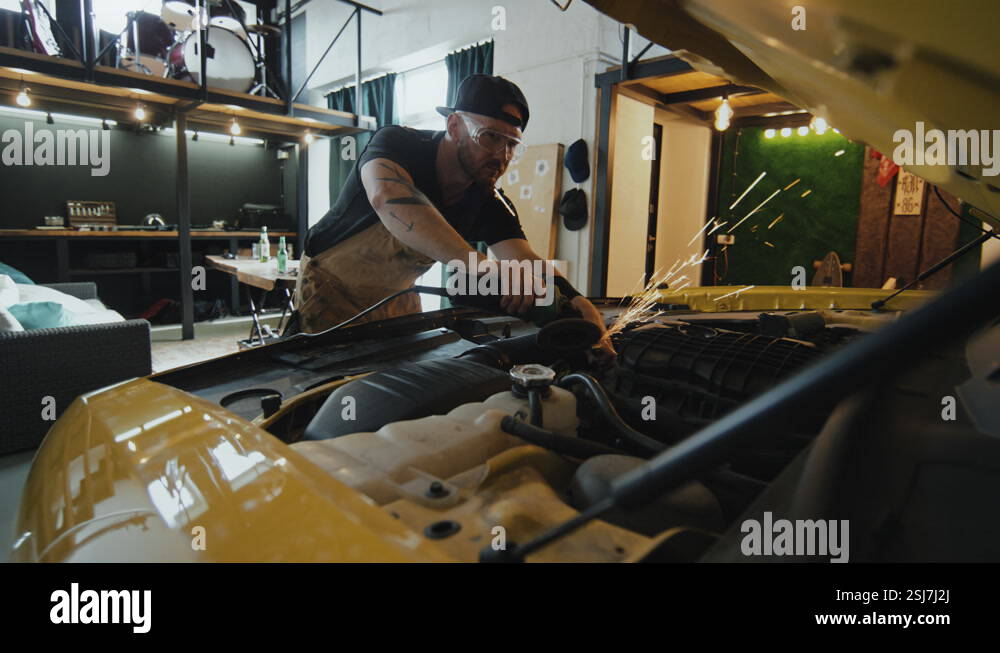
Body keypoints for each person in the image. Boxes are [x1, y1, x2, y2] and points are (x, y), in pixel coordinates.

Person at [293, 73, 608, 344]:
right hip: (330, 289)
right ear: (454, 125)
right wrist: (487, 269)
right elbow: (386, 196)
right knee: (332, 390)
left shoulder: (487, 201)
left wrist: (579, 301)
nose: (502, 154)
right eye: (490, 137)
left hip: (396, 297)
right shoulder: (398, 145)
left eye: (512, 144)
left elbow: (524, 259)